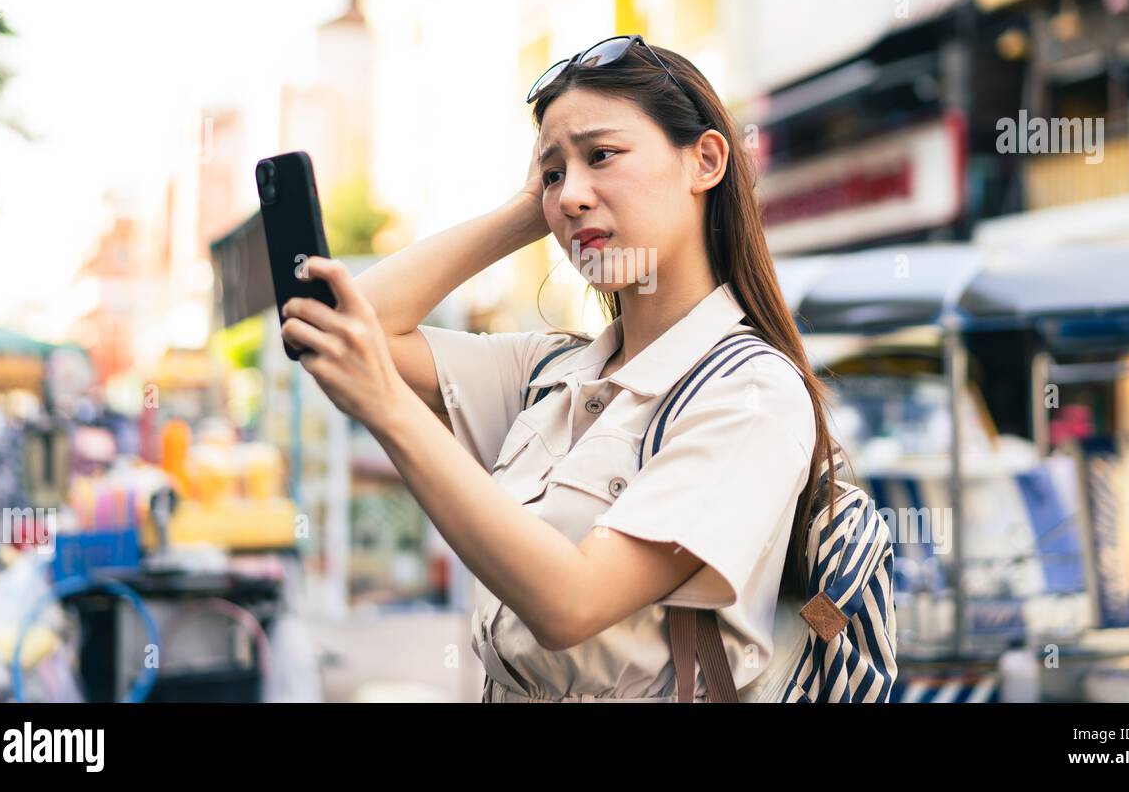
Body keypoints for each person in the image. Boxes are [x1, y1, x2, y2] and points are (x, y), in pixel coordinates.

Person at [281, 35, 842, 701]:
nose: (572, 195)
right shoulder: (552, 372)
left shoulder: (752, 393)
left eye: (602, 155)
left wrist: (387, 408)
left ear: (706, 161)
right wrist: (531, 209)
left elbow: (571, 604)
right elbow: (338, 326)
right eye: (553, 175)